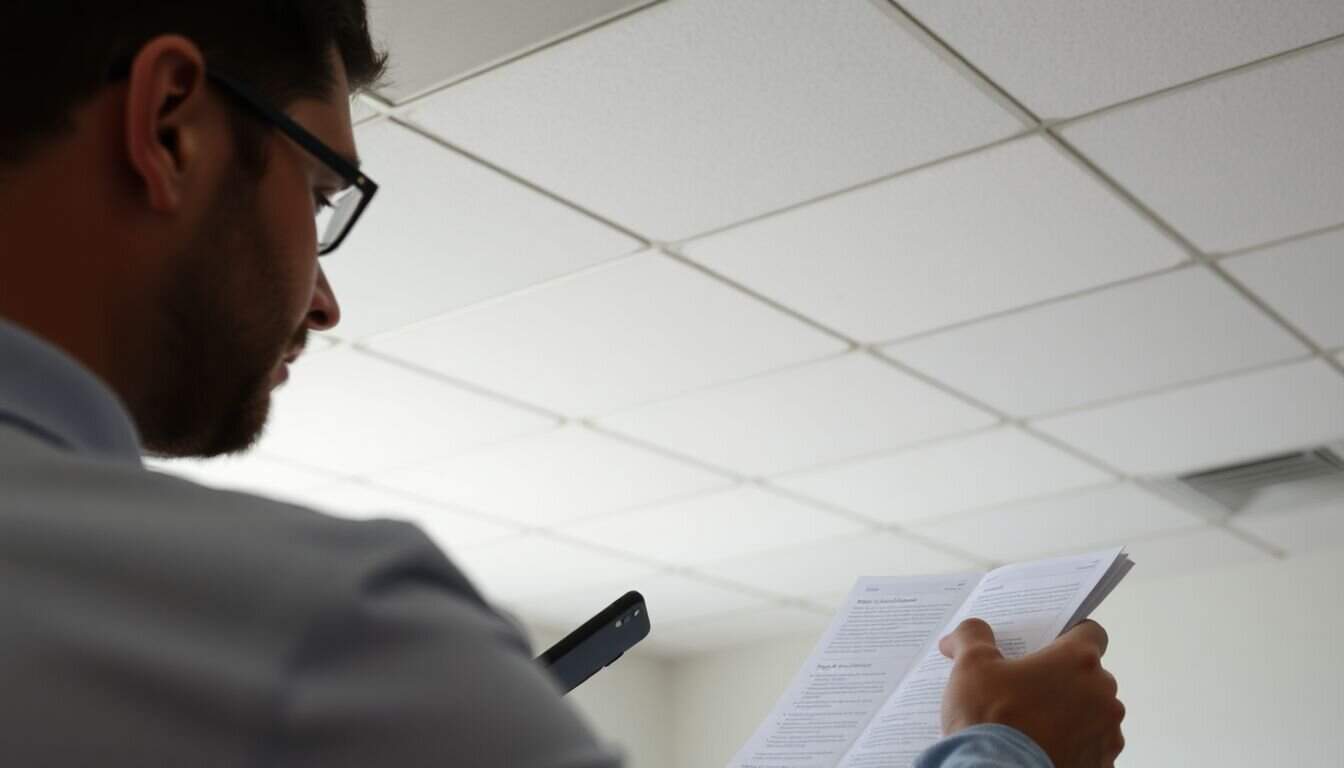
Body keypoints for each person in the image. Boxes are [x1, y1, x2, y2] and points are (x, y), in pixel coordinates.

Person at [0, 3, 1123, 766]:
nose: (327, 300)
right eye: (321, 183)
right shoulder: (314, 634)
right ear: (169, 127)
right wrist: (1001, 751)